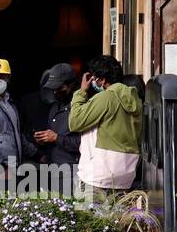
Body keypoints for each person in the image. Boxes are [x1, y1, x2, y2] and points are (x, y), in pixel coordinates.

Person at [68, 55, 142, 202]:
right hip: (125, 175)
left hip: (97, 175)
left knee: (89, 222)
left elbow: (74, 122)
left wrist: (81, 92)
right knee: (116, 221)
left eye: (95, 78)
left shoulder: (106, 98)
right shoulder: (135, 99)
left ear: (101, 79)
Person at [27, 63, 80, 168]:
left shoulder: (80, 108)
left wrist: (56, 138)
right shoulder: (55, 106)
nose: (55, 92)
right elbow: (51, 137)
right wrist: (43, 140)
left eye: (59, 88)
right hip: (50, 167)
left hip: (70, 170)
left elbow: (85, 143)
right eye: (53, 88)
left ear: (71, 85)